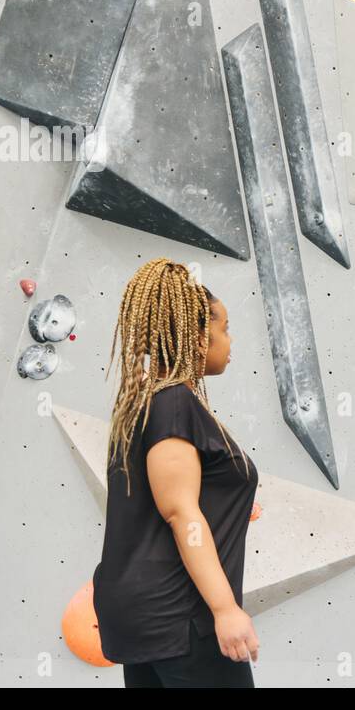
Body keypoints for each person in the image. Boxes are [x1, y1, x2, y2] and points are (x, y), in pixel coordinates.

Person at [93, 258, 260, 688]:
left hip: (147, 617)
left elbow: (162, 502)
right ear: (197, 334)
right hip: (180, 615)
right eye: (224, 328)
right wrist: (225, 610)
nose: (230, 338)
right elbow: (180, 512)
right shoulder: (172, 403)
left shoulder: (141, 406)